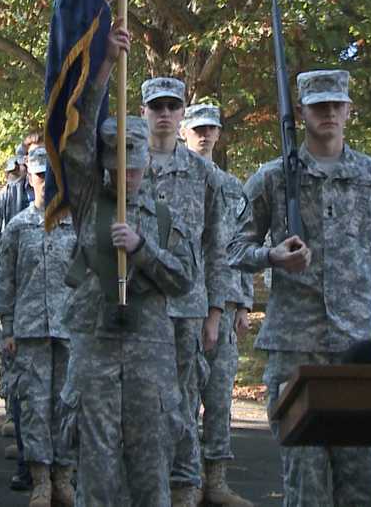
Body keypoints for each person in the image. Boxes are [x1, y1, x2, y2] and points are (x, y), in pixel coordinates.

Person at [227, 69, 371, 506]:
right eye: (318, 106)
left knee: (362, 482)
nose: (328, 113)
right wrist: (271, 256)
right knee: (305, 485)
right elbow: (233, 245)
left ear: (349, 110)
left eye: (335, 105)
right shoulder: (273, 178)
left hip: (359, 345)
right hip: (296, 349)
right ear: (301, 112)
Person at [60, 25, 193, 504]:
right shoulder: (88, 202)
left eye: (136, 166)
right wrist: (104, 68)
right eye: (120, 166)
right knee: (95, 472)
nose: (129, 175)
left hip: (148, 352)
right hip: (96, 347)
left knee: (150, 470)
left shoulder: (162, 216)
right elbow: (75, 140)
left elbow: (183, 280)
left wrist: (142, 247)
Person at [139, 77, 229, 507]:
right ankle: (146, 483)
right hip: (137, 305)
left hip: (187, 308)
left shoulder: (203, 174)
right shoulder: (124, 167)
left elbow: (217, 245)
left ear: (182, 115)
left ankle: (186, 484)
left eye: (172, 106)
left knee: (185, 398)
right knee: (141, 400)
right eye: (156, 106)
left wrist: (215, 312)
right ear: (143, 112)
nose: (164, 114)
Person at [0, 146, 78, 507]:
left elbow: (89, 278)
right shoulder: (18, 226)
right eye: (40, 175)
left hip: (69, 330)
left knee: (68, 405)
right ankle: (40, 479)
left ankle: (65, 477)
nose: (46, 182)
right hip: (29, 332)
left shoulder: (76, 223)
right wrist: (7, 328)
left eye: (52, 176)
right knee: (34, 408)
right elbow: (3, 280)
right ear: (29, 176)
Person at [180, 103, 255, 507]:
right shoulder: (172, 179)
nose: (204, 135)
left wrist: (243, 302)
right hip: (183, 304)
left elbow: (240, 246)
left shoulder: (232, 186)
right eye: (197, 129)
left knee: (220, 395)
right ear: (183, 132)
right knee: (184, 395)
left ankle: (216, 480)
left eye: (210, 129)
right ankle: (187, 481)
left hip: (223, 305)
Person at [0, 130, 43, 491]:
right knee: (21, 387)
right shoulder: (7, 201)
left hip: (53, 313)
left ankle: (55, 467)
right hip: (17, 309)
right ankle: (25, 459)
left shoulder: (65, 202)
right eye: (29, 159)